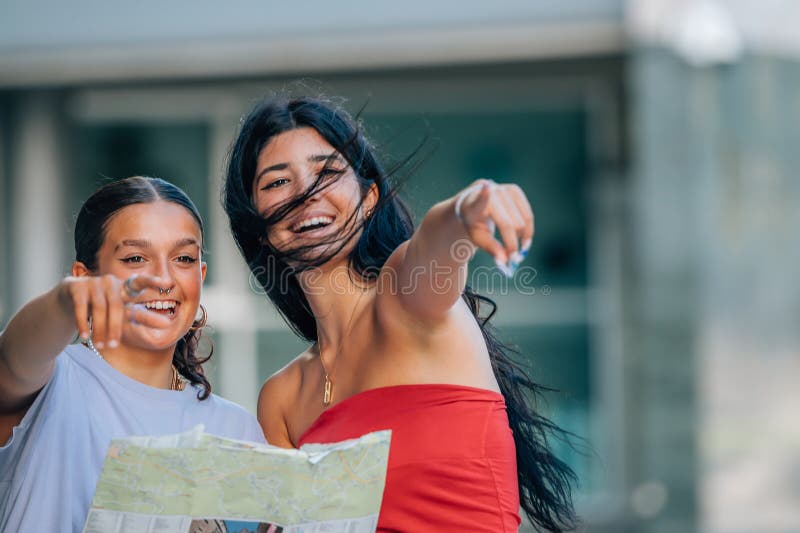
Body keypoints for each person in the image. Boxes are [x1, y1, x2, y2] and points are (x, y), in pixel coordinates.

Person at [223, 96, 578, 532]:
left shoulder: (405, 296)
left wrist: (468, 210)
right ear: (260, 230)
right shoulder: (281, 397)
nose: (305, 193)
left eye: (327, 171)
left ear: (369, 198)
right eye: (278, 182)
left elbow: (437, 241)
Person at [0, 176, 265, 532]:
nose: (163, 278)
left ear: (200, 276)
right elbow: (12, 358)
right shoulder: (52, 381)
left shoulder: (237, 429)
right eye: (136, 257)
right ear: (84, 276)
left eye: (183, 258)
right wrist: (64, 300)